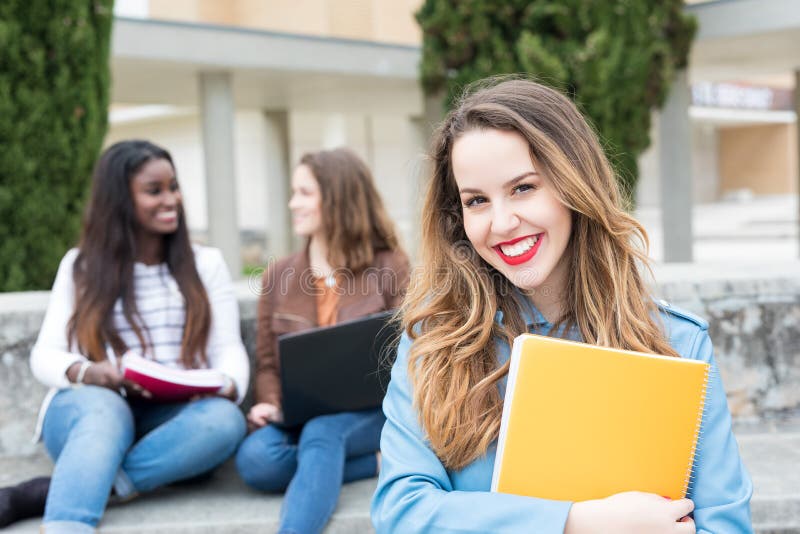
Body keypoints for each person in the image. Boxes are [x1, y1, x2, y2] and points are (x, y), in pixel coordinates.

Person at [370, 79, 753, 533]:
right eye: (477, 200)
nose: (502, 223)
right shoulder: (432, 348)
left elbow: (724, 524)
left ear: (575, 184)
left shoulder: (678, 343)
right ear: (459, 217)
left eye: (523, 188)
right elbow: (402, 512)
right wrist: (574, 522)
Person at [2, 140, 249, 533]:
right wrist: (88, 373)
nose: (171, 199)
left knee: (224, 421)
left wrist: (227, 384)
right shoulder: (80, 266)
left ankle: (73, 486)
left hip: (170, 421)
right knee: (106, 411)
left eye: (173, 186)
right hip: (92, 410)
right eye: (155, 191)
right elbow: (44, 356)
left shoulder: (207, 264)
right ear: (120, 200)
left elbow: (228, 351)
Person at [235, 147, 410, 534]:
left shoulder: (389, 266)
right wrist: (270, 403)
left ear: (337, 198)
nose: (292, 203)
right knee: (256, 459)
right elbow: (267, 362)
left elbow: (414, 349)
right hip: (301, 412)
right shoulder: (278, 275)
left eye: (304, 192)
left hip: (372, 412)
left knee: (322, 433)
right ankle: (377, 463)